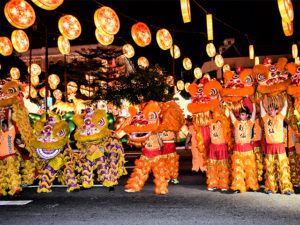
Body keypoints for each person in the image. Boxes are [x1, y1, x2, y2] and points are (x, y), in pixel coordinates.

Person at [260, 99, 294, 194]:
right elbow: (262, 108)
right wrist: (260, 100)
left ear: (276, 111)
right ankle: (271, 187)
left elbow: (285, 106)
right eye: (269, 110)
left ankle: (286, 188)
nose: (270, 111)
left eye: (272, 110)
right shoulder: (266, 118)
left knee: (282, 166)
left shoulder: (280, 117)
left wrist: (284, 96)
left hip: (279, 146)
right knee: (270, 167)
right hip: (269, 146)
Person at [229, 103, 259, 193]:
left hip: (248, 148)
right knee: (238, 168)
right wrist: (228, 104)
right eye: (240, 114)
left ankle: (251, 185)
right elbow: (231, 113)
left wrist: (253, 103)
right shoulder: (236, 123)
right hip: (238, 149)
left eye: (243, 114)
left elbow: (253, 113)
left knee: (250, 168)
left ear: (246, 115)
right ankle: (238, 186)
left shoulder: (250, 123)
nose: (241, 116)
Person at [0, 107, 21, 196]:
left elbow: (9, 120)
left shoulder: (11, 132)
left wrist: (9, 111)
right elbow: (1, 123)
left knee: (12, 174)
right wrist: (1, 119)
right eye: (2, 126)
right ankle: (2, 190)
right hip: (1, 158)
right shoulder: (2, 133)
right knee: (2, 175)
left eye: (4, 126)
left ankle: (16, 190)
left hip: (10, 156)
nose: (3, 127)